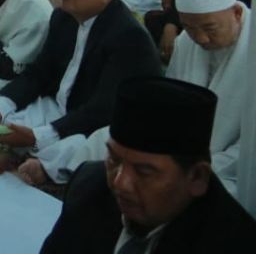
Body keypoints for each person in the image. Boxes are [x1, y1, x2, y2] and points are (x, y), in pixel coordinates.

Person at [0, 0, 161, 185]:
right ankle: (34, 149)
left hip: (96, 124)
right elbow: (39, 74)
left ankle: (44, 163)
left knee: (83, 147)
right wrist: (1, 106)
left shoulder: (128, 37)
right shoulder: (63, 17)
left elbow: (102, 110)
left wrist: (37, 136)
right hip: (61, 108)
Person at [39, 77, 256, 253]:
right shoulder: (88, 188)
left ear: (197, 177)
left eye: (143, 172)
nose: (120, 182)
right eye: (114, 160)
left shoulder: (234, 242)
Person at [164, 0, 249, 196]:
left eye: (210, 28)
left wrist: (200, 168)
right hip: (181, 157)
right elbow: (171, 102)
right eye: (190, 28)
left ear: (237, 13)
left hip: (237, 170)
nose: (200, 39)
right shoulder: (185, 42)